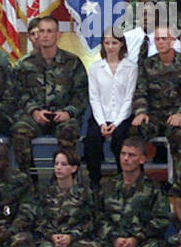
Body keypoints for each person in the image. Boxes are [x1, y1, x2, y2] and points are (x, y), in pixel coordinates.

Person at [9, 16, 87, 172]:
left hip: (62, 116)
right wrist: (34, 111)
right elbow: (17, 94)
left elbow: (81, 94)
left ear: (58, 35)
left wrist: (68, 112)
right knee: (20, 130)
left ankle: (63, 180)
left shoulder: (72, 62)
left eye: (49, 31)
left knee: (69, 129)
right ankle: (29, 181)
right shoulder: (24, 64)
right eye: (41, 31)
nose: (44, 35)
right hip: (35, 118)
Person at [84, 28, 136, 187]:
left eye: (114, 42)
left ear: (121, 44)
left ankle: (124, 180)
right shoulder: (95, 68)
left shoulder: (131, 67)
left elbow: (129, 98)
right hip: (101, 115)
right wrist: (101, 123)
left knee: (120, 140)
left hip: (123, 117)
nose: (110, 46)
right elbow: (94, 98)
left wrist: (117, 122)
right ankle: (95, 182)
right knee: (92, 140)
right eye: (107, 43)